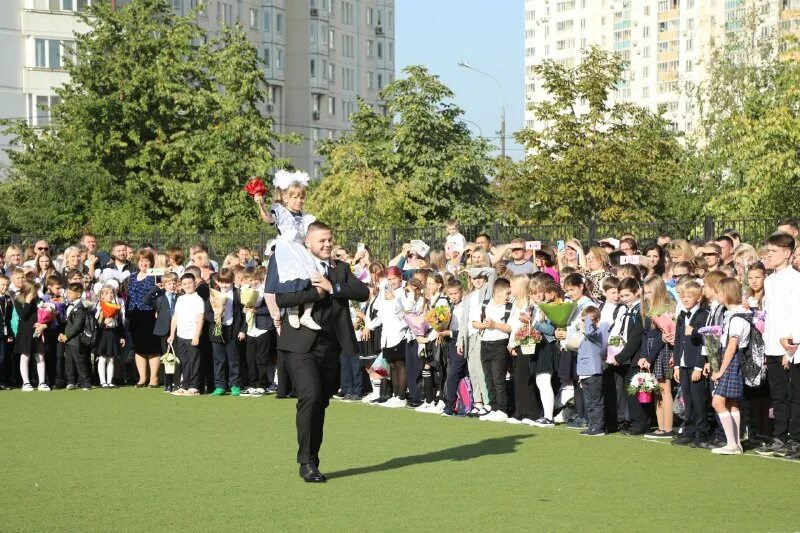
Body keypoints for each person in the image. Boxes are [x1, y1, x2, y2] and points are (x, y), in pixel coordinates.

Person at [268, 221, 368, 483]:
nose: (326, 245)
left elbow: (363, 291)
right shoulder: (294, 265)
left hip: (331, 346)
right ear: (308, 243)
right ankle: (307, 463)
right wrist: (316, 292)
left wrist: (332, 286)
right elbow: (281, 298)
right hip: (299, 344)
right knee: (310, 397)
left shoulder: (340, 268)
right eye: (321, 241)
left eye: (329, 240)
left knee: (320, 403)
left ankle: (313, 457)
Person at [254, 170, 322, 333]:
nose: (299, 200)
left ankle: (306, 314)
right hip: (286, 249)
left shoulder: (306, 217)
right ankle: (290, 312)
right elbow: (269, 219)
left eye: (301, 197)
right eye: (295, 197)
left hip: (301, 249)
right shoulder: (280, 211)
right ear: (285, 197)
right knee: (289, 280)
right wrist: (261, 205)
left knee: (314, 277)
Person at [755, 232, 800, 458]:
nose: (769, 255)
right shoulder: (770, 281)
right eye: (768, 251)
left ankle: (795, 440)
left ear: (787, 253)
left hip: (791, 347)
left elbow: (795, 313)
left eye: (773, 251)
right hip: (772, 346)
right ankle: (780, 437)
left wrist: (790, 344)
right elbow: (771, 317)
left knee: (795, 395)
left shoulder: (796, 279)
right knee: (779, 395)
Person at [709, 278, 751, 455]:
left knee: (717, 402)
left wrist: (720, 371)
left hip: (732, 361)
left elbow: (732, 346)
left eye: (719, 292)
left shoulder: (736, 317)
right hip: (732, 359)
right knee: (732, 402)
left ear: (725, 293)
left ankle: (732, 444)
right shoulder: (736, 313)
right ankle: (735, 442)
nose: (717, 295)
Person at [672, 280, 711, 447]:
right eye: (683, 295)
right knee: (686, 399)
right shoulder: (682, 315)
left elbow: (706, 342)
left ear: (698, 297)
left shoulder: (703, 315)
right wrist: (676, 365)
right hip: (682, 363)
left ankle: (701, 431)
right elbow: (678, 340)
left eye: (690, 296)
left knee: (698, 399)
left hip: (695, 363)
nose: (685, 299)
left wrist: (698, 366)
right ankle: (688, 429)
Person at [471, 277, 514, 422]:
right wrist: (484, 325)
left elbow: (510, 328)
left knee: (498, 378)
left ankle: (502, 409)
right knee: (488, 378)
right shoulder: (484, 305)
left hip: (500, 344)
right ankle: (493, 407)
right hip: (485, 344)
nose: (509, 296)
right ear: (497, 292)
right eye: (507, 293)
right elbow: (474, 323)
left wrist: (494, 325)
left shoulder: (509, 307)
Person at [206, 268, 246, 397]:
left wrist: (242, 330)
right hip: (217, 331)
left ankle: (235, 385)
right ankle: (220, 385)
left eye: (227, 282)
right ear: (217, 281)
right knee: (219, 360)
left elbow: (245, 314)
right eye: (222, 282)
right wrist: (214, 317)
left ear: (232, 281)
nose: (224, 285)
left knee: (234, 360)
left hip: (233, 330)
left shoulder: (238, 294)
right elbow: (206, 313)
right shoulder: (213, 293)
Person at [127, 250, 162, 388]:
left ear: (151, 262)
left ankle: (154, 378)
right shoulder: (132, 276)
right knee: (139, 348)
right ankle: (142, 378)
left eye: (146, 260)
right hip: (134, 315)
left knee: (152, 348)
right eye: (141, 260)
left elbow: (160, 295)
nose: (143, 263)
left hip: (150, 314)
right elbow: (129, 296)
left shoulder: (156, 276)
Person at [168, 273, 205, 397]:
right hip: (181, 335)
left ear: (195, 283)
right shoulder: (180, 299)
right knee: (184, 361)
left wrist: (196, 336)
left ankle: (194, 386)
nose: (187, 285)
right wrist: (172, 334)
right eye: (184, 284)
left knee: (194, 361)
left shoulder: (198, 299)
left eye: (189, 283)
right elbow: (175, 317)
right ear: (181, 286)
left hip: (192, 335)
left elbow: (200, 319)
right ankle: (184, 385)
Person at [145, 272, 180, 392]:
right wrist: (156, 288)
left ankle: (177, 383)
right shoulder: (160, 298)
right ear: (164, 285)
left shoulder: (180, 297)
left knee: (177, 357)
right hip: (164, 330)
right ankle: (168, 383)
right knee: (167, 357)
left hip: (178, 329)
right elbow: (146, 300)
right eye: (169, 283)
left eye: (174, 283)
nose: (172, 285)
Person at [576, 306, 605, 436]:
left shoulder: (596, 333)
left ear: (596, 321)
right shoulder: (583, 335)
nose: (587, 322)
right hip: (584, 373)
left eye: (591, 320)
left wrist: (587, 319)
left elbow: (589, 331)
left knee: (596, 401)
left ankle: (598, 427)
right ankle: (592, 425)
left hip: (594, 372)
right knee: (589, 402)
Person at [15, 280, 48, 391]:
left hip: (37, 331)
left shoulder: (39, 301)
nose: (35, 294)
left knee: (40, 356)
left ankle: (42, 382)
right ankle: (26, 382)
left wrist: (43, 324)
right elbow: (23, 316)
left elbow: (44, 315)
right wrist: (28, 301)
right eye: (33, 291)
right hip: (24, 333)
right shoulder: (18, 301)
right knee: (25, 356)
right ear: (27, 291)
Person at [59, 282, 92, 390]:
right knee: (68, 360)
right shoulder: (69, 305)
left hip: (76, 339)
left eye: (70, 293)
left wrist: (67, 336)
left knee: (79, 360)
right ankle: (70, 381)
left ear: (78, 294)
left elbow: (77, 326)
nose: (68, 295)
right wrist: (62, 334)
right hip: (68, 339)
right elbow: (67, 323)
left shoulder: (80, 308)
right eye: (68, 292)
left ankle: (86, 382)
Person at [94, 284, 125, 389]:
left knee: (111, 359)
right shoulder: (99, 307)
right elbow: (95, 323)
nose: (110, 295)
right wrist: (103, 323)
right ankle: (103, 381)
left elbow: (120, 323)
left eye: (111, 293)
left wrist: (122, 336)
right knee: (102, 358)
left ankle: (110, 381)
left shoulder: (116, 307)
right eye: (106, 293)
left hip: (113, 335)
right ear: (102, 296)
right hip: (103, 335)